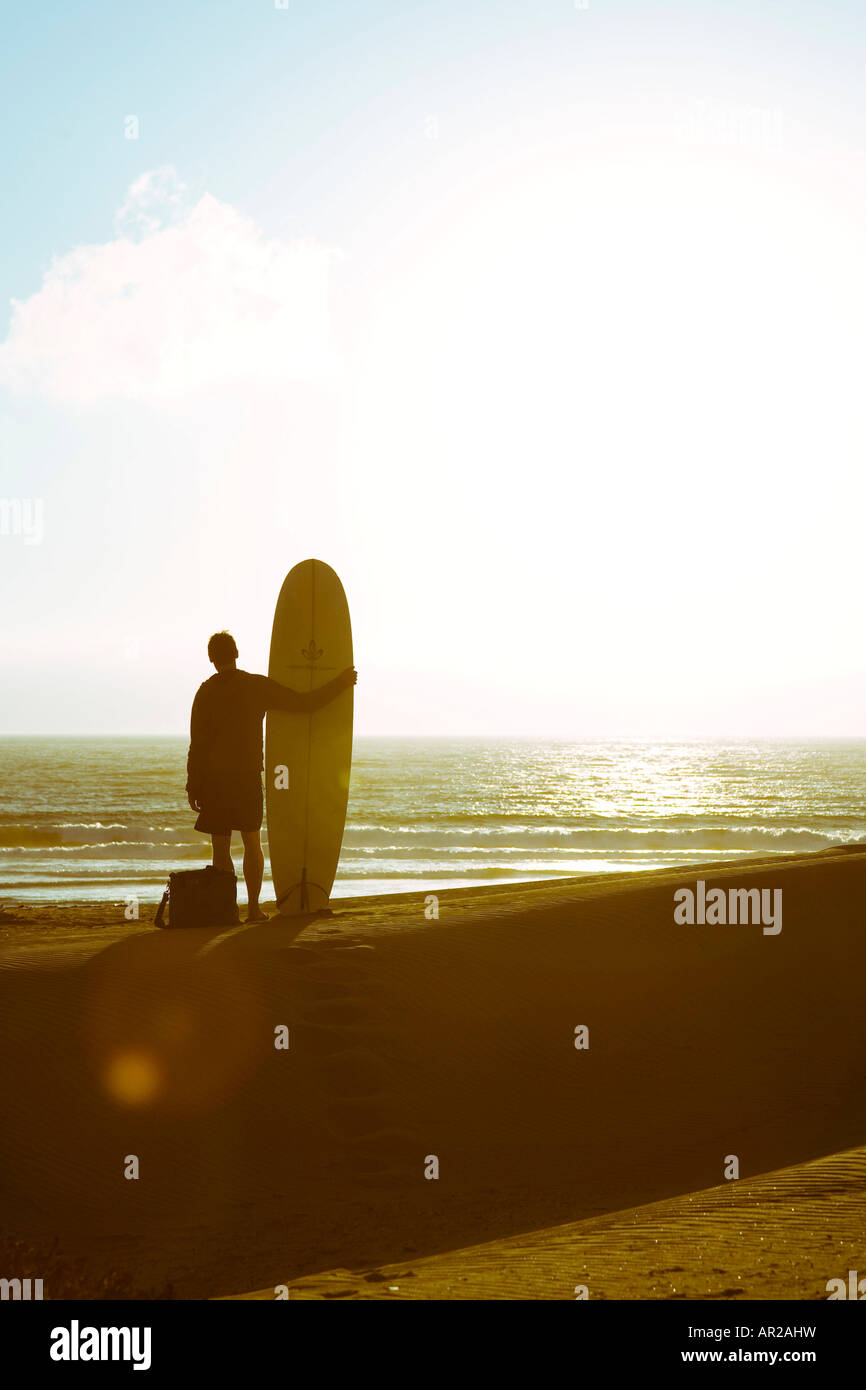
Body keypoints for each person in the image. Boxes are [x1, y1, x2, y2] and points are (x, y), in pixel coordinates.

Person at [186, 630, 356, 922]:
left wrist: (193, 785)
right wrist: (339, 685)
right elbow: (305, 704)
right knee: (252, 843)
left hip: (215, 781)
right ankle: (253, 909)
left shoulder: (205, 691)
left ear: (212, 659)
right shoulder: (255, 686)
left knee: (221, 847)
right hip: (246, 777)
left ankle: (228, 911)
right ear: (236, 654)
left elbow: (197, 744)